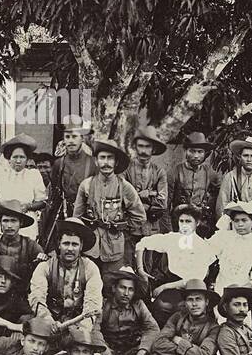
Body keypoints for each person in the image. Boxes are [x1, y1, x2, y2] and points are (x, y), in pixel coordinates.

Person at [27, 217, 103, 350]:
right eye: (66, 243)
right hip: (51, 321)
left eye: (75, 244)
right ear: (58, 244)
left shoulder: (90, 268)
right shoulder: (45, 267)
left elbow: (92, 305)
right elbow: (37, 298)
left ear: (81, 247)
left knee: (93, 349)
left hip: (80, 321)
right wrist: (48, 321)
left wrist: (81, 330)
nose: (70, 249)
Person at [73, 137, 146, 273]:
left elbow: (140, 217)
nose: (106, 162)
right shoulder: (86, 185)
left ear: (116, 161)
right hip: (90, 247)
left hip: (115, 249)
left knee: (112, 285)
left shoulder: (124, 186)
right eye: (102, 158)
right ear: (96, 161)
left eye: (110, 158)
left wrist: (119, 227)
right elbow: (77, 217)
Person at [134, 203, 217, 293]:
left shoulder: (202, 246)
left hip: (192, 289)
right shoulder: (172, 238)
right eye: (181, 221)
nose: (184, 225)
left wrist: (164, 287)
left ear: (197, 223)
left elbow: (196, 277)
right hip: (170, 285)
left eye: (188, 221)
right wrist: (140, 270)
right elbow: (141, 243)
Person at [98, 266, 160, 355]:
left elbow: (153, 329)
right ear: (114, 288)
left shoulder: (138, 305)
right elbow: (95, 331)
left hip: (132, 352)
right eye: (122, 288)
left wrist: (141, 353)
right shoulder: (104, 306)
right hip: (109, 353)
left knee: (154, 354)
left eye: (130, 289)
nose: (126, 293)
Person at [42, 115, 95, 244]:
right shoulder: (59, 164)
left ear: (82, 138)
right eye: (67, 137)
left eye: (74, 136)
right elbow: (54, 193)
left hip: (87, 216)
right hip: (64, 214)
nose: (71, 141)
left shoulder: (93, 163)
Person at [0, 133, 46, 237]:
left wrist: (28, 206)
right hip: (3, 219)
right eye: (15, 157)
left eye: (22, 157)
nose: (18, 161)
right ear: (9, 158)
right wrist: (6, 207)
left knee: (26, 249)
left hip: (26, 219)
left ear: (27, 158)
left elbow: (41, 202)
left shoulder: (34, 174)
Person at [216, 135, 252, 230]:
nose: (249, 159)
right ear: (240, 157)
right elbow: (222, 205)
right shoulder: (230, 177)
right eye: (245, 155)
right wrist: (225, 230)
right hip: (235, 226)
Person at [211, 200, 252, 291]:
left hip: (244, 286)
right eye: (236, 221)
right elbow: (208, 252)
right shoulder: (224, 238)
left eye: (244, 220)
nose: (240, 224)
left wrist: (251, 284)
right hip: (222, 285)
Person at [169, 132, 220, 237]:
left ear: (205, 153)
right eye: (192, 151)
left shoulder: (209, 171)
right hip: (179, 222)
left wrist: (209, 204)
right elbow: (166, 203)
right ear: (186, 151)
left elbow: (220, 191)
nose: (196, 156)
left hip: (201, 223)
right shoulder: (175, 171)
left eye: (200, 152)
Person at [0, 201, 44, 283]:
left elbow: (44, 265)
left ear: (21, 223)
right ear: (0, 223)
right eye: (5, 221)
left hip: (20, 292)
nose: (9, 225)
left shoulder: (30, 245)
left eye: (13, 221)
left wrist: (41, 259)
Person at [125, 125, 170, 236]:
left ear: (153, 149)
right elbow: (123, 199)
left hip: (152, 228)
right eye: (140, 146)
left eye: (147, 147)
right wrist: (152, 194)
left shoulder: (159, 172)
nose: (143, 151)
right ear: (135, 147)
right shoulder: (126, 170)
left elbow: (162, 203)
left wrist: (146, 194)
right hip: (130, 228)